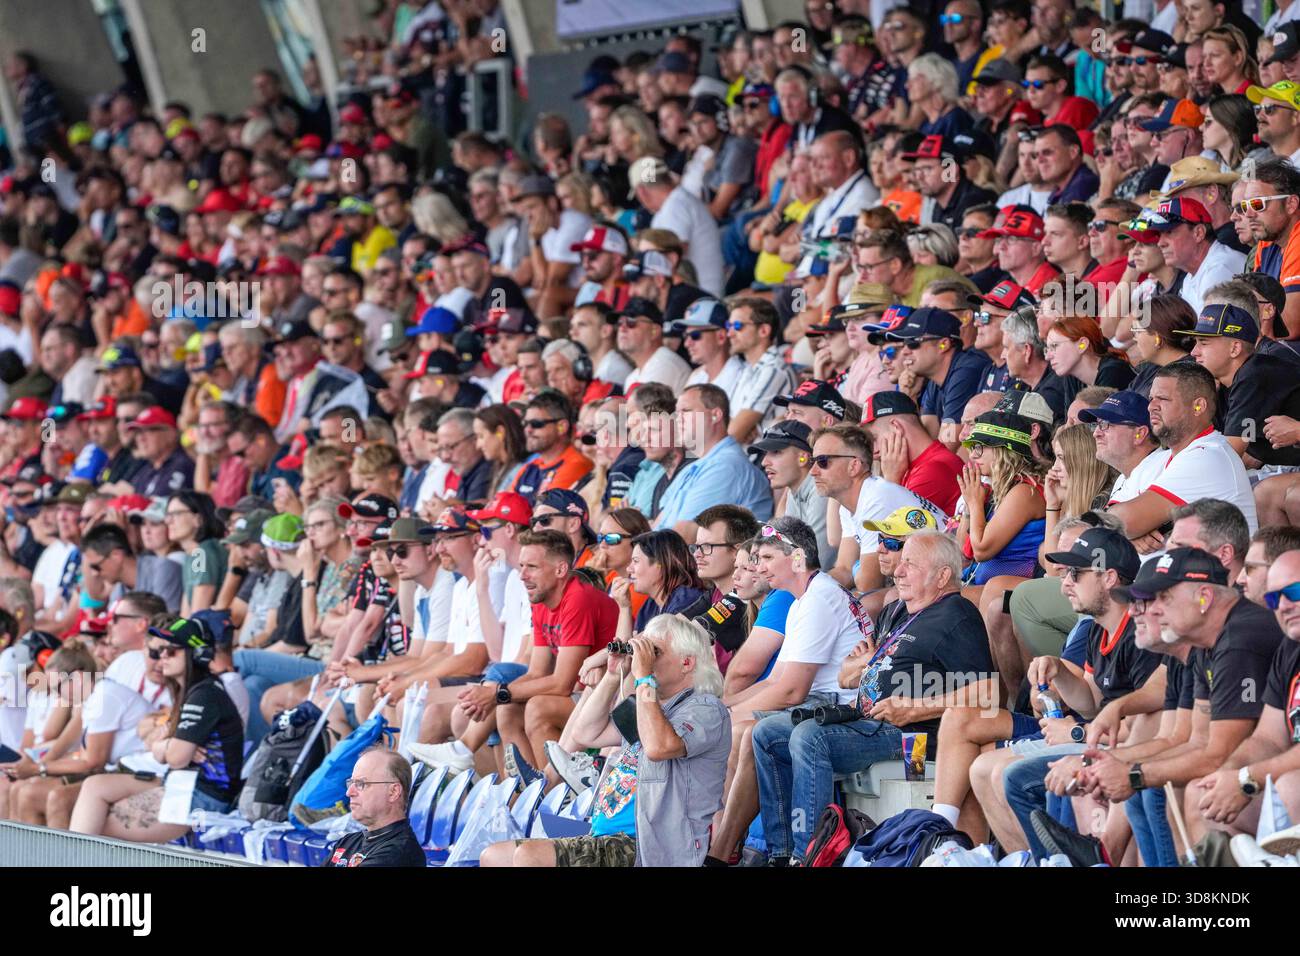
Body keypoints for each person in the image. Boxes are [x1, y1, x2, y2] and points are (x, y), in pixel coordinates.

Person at [752, 530, 995, 865]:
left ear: (942, 576)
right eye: (901, 562)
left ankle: (809, 855)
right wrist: (858, 665)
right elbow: (847, 674)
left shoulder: (957, 615)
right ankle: (780, 853)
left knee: (810, 738)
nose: (898, 570)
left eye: (911, 563)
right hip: (866, 721)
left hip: (917, 739)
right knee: (767, 733)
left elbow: (988, 692)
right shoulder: (899, 611)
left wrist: (913, 707)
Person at [482, 613, 730, 867]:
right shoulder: (650, 706)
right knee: (493, 856)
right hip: (607, 838)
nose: (644, 658)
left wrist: (644, 679)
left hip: (649, 847)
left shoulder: (706, 708)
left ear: (686, 663)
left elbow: (658, 747)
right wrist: (613, 676)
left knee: (529, 857)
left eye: (654, 651)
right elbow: (586, 733)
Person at [70, 616, 244, 841]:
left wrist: (167, 746)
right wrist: (167, 745)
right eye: (160, 650)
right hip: (180, 782)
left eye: (172, 651)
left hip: (202, 796)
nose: (162, 656)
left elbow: (176, 757)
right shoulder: (191, 691)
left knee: (103, 825)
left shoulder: (205, 694)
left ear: (197, 654)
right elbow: (155, 744)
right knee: (94, 786)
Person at [1108, 362, 1258, 546]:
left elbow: (1125, 520)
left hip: (1213, 572)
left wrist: (1130, 529)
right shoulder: (1158, 459)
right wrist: (1130, 534)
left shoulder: (1209, 457)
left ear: (1198, 406)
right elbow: (1111, 517)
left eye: (1162, 398)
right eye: (1151, 398)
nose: (1151, 407)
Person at [654, 384, 773, 537]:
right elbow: (657, 526)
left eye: (686, 411)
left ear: (715, 415)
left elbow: (682, 539)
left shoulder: (725, 466)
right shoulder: (695, 467)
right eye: (676, 413)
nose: (678, 419)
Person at [860, 391, 964, 515]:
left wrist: (891, 481)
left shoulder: (934, 469)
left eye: (874, 439)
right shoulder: (911, 466)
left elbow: (888, 530)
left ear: (896, 427)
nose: (873, 451)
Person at [324, 748, 425, 867]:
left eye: (361, 784)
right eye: (351, 783)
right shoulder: (347, 842)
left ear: (393, 792)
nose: (349, 792)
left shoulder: (398, 853)